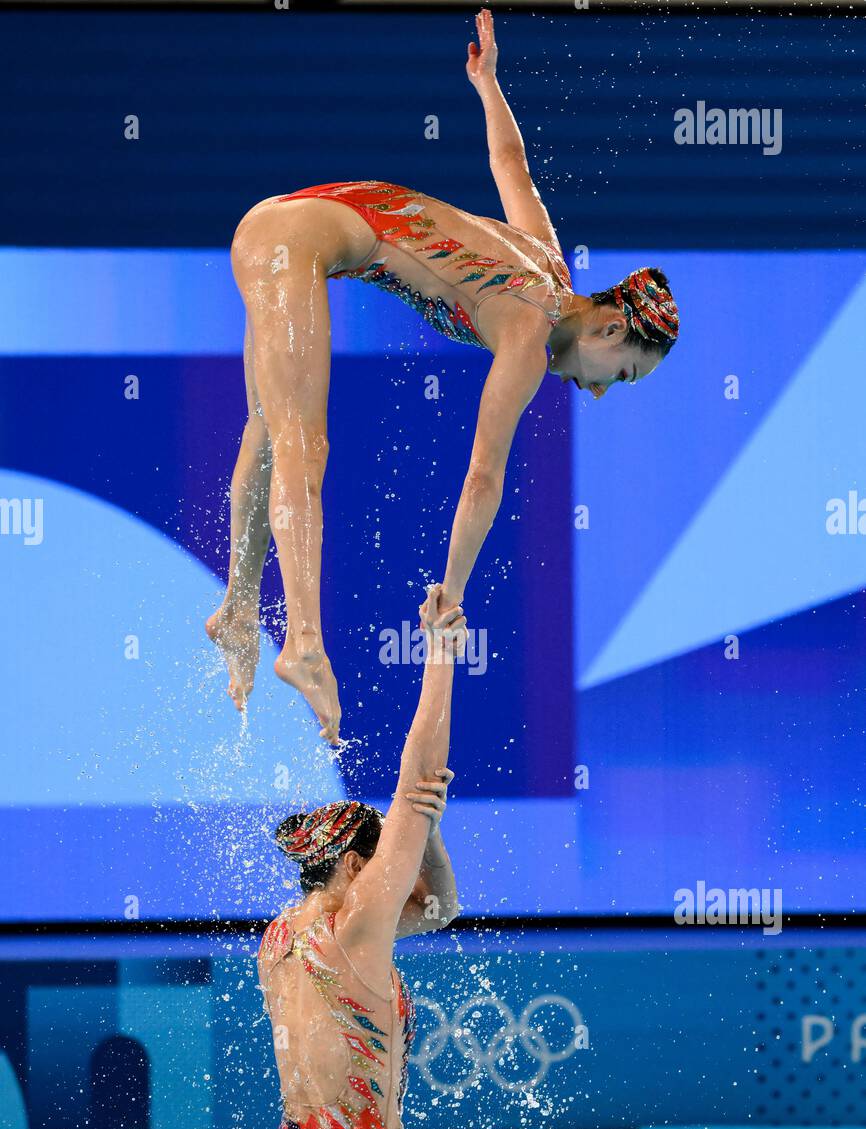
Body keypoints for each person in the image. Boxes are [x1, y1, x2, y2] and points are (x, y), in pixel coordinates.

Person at [206, 9, 679, 738]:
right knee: (305, 441)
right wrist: (450, 594)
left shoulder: (547, 259)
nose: (595, 391)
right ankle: (301, 642)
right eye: (620, 374)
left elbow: (509, 166)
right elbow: (483, 477)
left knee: (269, 426)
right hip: (291, 241)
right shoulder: (528, 330)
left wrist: (488, 86)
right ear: (612, 327)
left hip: (287, 220)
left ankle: (239, 607)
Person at [249, 588, 464, 1129]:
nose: (395, 885)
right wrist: (440, 654)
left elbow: (440, 908)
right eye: (383, 869)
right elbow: (417, 779)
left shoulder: (279, 938)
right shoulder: (359, 923)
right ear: (352, 866)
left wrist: (426, 834)